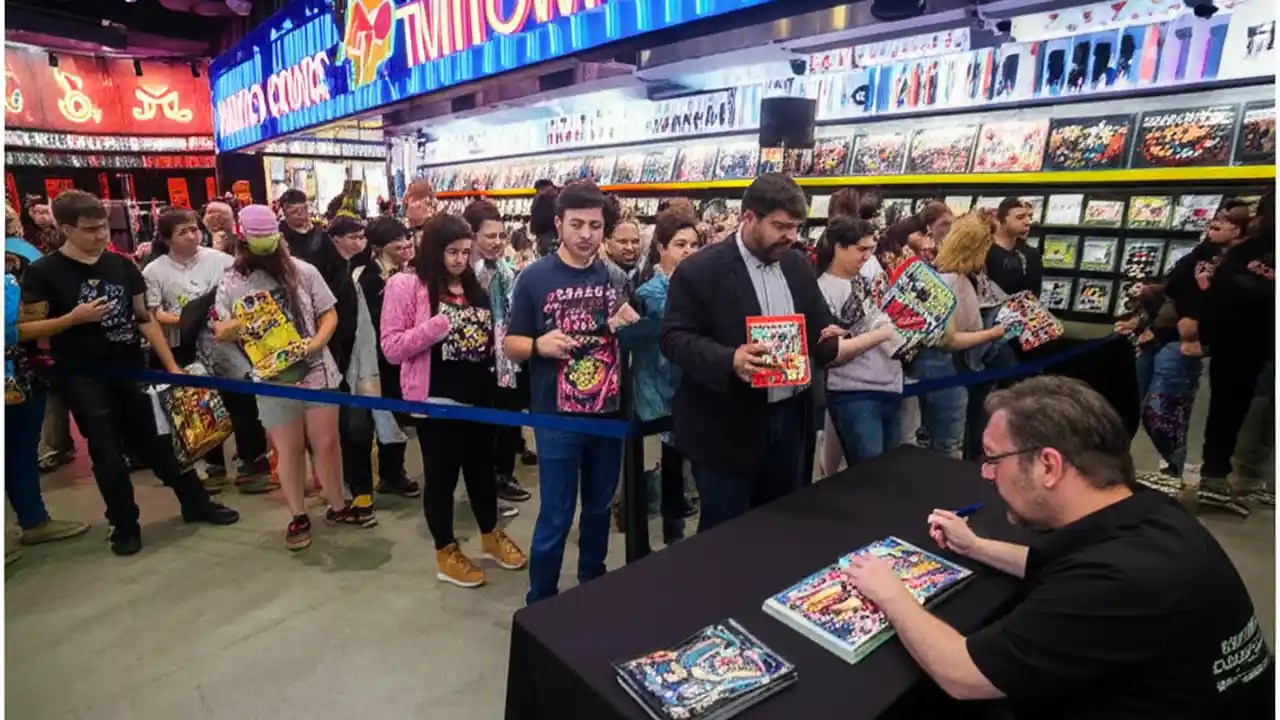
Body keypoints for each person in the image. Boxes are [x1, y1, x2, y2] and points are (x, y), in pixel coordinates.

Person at [843, 376, 1273, 719]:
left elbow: (963, 674)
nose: (987, 475)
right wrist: (976, 547)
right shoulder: (1147, 512)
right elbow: (1065, 563)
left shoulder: (1115, 581)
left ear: (1048, 465)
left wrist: (890, 592)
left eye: (993, 458)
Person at [660, 173, 885, 532]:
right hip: (727, 426)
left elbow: (818, 324)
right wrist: (730, 359)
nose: (791, 236)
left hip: (789, 421)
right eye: (780, 226)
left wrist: (831, 333)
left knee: (782, 528)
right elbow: (673, 337)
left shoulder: (797, 264)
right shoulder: (701, 270)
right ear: (749, 218)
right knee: (727, 536)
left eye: (795, 227)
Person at [19, 190, 239, 556]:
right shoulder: (44, 272)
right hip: (82, 374)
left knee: (160, 439)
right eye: (90, 229)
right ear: (67, 229)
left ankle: (195, 502)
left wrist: (171, 368)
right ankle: (123, 523)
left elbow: (143, 318)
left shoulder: (121, 266)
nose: (100, 235)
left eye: (103, 227)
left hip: (132, 367)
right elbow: (25, 329)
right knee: (106, 451)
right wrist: (72, 319)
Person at [504, 180, 635, 604]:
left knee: (599, 507)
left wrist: (633, 327)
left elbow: (630, 333)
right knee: (557, 512)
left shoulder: (616, 278)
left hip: (609, 412)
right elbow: (510, 344)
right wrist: (538, 345)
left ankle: (592, 586)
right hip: (556, 415)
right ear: (558, 224)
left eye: (595, 226)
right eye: (576, 224)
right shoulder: (533, 278)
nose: (586, 234)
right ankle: (541, 599)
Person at [381, 213, 526, 588]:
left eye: (465, 251)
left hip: (479, 396)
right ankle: (446, 551)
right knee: (441, 477)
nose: (461, 259)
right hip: (434, 399)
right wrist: (436, 327)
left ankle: (490, 534)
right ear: (434, 250)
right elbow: (392, 347)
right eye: (453, 252)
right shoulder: (405, 285)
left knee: (481, 472)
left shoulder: (474, 284)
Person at [213, 205, 362, 550]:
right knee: (289, 448)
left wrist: (316, 343)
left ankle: (338, 505)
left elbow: (328, 313)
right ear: (243, 237)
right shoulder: (231, 281)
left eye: (270, 235)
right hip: (271, 376)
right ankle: (298, 514)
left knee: (327, 442)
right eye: (258, 236)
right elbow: (220, 327)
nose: (265, 242)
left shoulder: (303, 271)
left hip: (316, 369)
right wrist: (241, 326)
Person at [142, 208, 274, 495]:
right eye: (182, 232)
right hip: (184, 346)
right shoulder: (154, 271)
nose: (192, 236)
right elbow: (152, 315)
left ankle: (253, 464)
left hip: (227, 343)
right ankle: (212, 467)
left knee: (243, 399)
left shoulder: (221, 261)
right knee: (200, 406)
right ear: (166, 239)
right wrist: (186, 319)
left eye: (194, 229)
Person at [1124, 207, 1248, 499]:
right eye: (1217, 218)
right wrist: (1144, 312)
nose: (1216, 224)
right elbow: (1172, 290)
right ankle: (1132, 467)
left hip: (1180, 343)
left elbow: (1209, 303)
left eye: (1227, 221)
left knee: (1165, 408)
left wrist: (1192, 334)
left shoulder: (1235, 264)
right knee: (1131, 403)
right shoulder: (1199, 255)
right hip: (1155, 336)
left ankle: (1171, 470)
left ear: (1241, 229)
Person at [4, 203, 91, 553]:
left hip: (22, 370)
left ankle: (34, 519)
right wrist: (71, 320)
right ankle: (33, 520)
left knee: (20, 448)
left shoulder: (20, 257)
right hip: (20, 367)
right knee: (19, 448)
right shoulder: (22, 257)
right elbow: (25, 324)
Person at [617, 206, 701, 544]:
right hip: (655, 396)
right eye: (680, 244)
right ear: (662, 248)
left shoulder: (699, 289)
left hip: (690, 391)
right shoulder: (647, 294)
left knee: (681, 468)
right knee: (661, 466)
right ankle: (663, 532)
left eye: (694, 244)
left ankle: (674, 528)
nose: (689, 251)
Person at [906, 214, 1009, 458]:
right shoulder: (955, 282)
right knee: (948, 444)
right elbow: (949, 339)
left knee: (929, 439)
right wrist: (993, 333)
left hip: (926, 368)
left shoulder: (932, 273)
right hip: (946, 370)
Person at [1197, 196, 1274, 514]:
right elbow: (1224, 289)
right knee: (1233, 412)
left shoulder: (1247, 250)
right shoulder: (1250, 250)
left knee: (1237, 414)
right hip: (1243, 345)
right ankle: (1217, 479)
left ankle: (1226, 479)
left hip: (1243, 345)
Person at [816, 217, 905, 464]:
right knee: (870, 475)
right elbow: (830, 353)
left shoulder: (869, 282)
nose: (867, 256)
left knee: (889, 471)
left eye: (870, 249)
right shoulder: (821, 290)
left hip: (890, 385)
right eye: (861, 249)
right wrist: (881, 334)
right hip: (853, 391)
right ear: (839, 247)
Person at [464, 200, 532, 505]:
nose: (497, 242)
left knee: (508, 414)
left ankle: (504, 474)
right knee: (480, 424)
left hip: (506, 352)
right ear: (472, 236)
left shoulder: (505, 271)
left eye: (501, 236)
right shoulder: (462, 271)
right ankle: (482, 479)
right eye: (489, 236)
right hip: (472, 354)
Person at [356, 216, 421, 499]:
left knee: (398, 412)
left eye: (406, 238)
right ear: (379, 246)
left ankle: (394, 472)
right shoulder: (370, 279)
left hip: (407, 350)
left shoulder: (411, 271)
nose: (405, 244)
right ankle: (390, 474)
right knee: (387, 413)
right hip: (380, 356)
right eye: (397, 240)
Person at [985, 198, 1042, 297]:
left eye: (1029, 217)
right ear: (1000, 220)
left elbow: (1035, 292)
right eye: (1020, 217)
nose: (1027, 222)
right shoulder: (983, 252)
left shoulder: (1031, 254)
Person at [603, 215, 642, 288]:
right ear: (606, 245)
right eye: (623, 242)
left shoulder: (645, 275)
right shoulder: (598, 280)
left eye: (635, 242)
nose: (630, 247)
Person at [529, 186, 560, 258]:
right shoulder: (554, 200)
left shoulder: (538, 199)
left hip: (541, 232)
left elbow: (533, 214)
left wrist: (534, 230)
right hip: (551, 231)